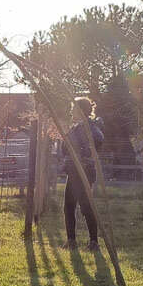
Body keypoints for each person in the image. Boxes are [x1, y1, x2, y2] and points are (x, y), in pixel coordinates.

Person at [61, 96, 104, 252]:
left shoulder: (89, 126)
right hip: (73, 171)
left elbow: (98, 139)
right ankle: (71, 241)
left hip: (83, 171)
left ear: (81, 110)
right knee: (68, 206)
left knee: (86, 207)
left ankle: (94, 242)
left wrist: (83, 153)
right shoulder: (76, 127)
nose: (71, 111)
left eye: (74, 108)